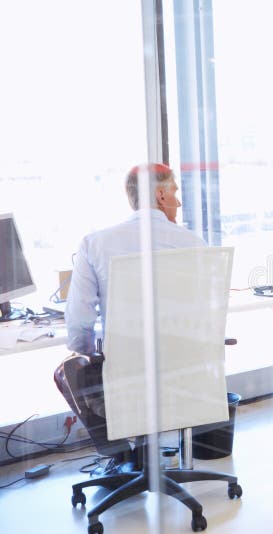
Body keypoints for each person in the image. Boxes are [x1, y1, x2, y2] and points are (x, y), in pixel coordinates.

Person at [56, 163, 206, 470]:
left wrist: (85, 353)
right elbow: (207, 315)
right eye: (175, 192)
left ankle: (120, 452)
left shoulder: (95, 243)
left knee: (66, 370)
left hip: (126, 381)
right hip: (187, 379)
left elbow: (79, 321)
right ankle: (132, 452)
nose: (178, 201)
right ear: (161, 195)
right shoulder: (194, 244)